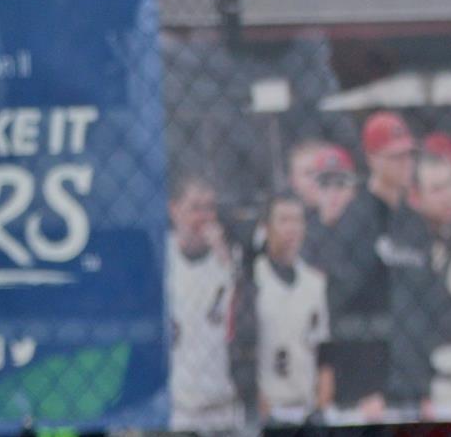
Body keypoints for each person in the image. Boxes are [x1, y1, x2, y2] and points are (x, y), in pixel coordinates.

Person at [314, 111, 415, 419]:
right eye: (394, 157)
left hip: (407, 376)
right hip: (363, 387)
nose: (405, 164)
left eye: (408, 155)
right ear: (372, 159)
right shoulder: (357, 220)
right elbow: (340, 307)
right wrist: (361, 387)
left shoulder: (410, 218)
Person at [385, 152, 451, 418]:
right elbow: (409, 327)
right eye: (437, 189)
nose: (450, 195)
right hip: (437, 385)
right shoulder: (406, 242)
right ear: (416, 198)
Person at [166, 172, 252, 431]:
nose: (204, 217)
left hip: (221, 405)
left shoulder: (229, 258)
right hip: (176, 408)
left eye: (209, 208)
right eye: (195, 208)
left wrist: (224, 258)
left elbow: (247, 321)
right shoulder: (161, 257)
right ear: (174, 210)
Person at [248, 193, 333, 424]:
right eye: (283, 220)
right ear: (266, 227)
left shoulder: (315, 283)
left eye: (297, 220)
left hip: (306, 408)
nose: (292, 228)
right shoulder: (252, 278)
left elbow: (324, 351)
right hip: (266, 408)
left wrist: (320, 405)